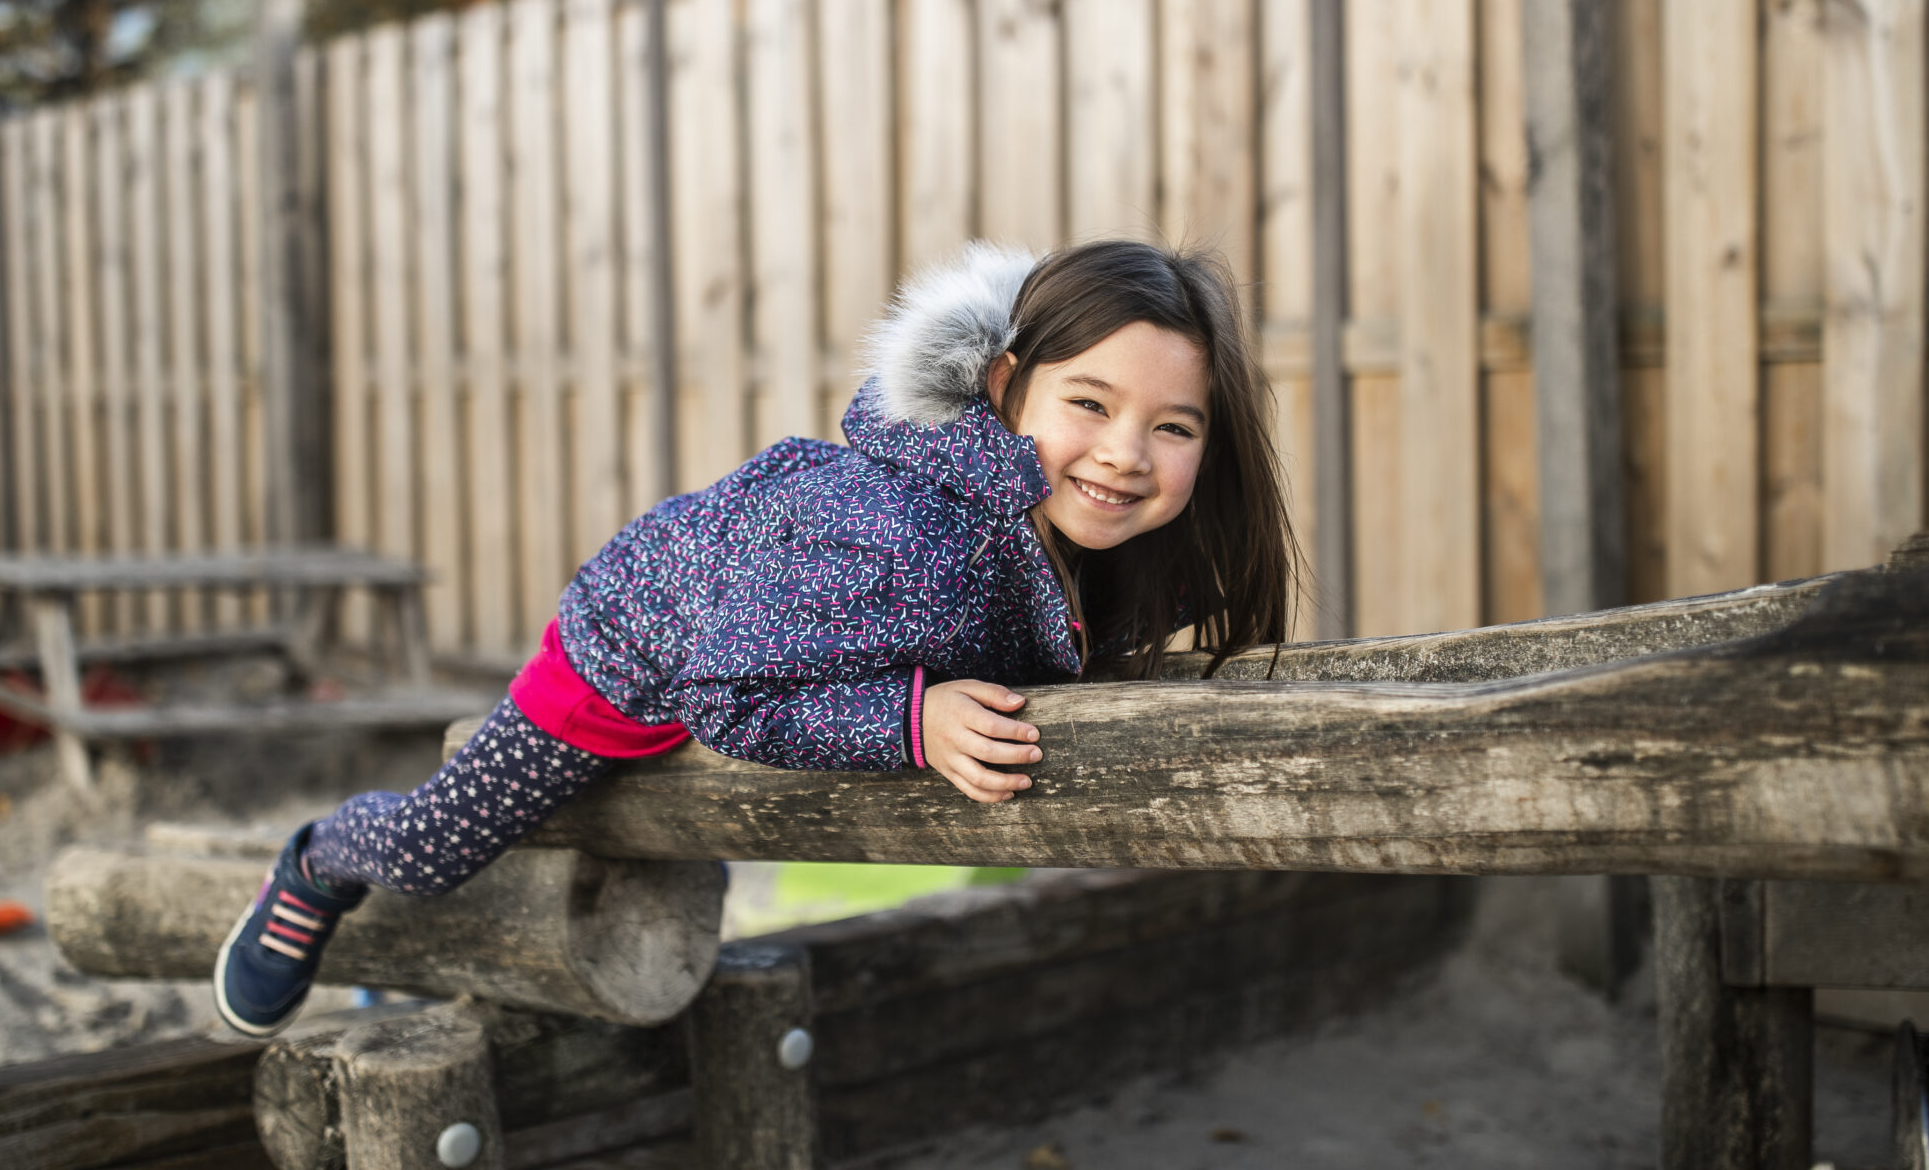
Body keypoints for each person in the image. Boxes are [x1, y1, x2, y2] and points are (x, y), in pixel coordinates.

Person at [212, 238, 1297, 1036]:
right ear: (1004, 388)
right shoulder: (895, 531)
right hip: (631, 666)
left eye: (1172, 426)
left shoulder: (1041, 524)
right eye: (1090, 405)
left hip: (769, 644)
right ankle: (314, 868)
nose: (1124, 454)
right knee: (439, 852)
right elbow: (728, 700)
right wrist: (911, 718)